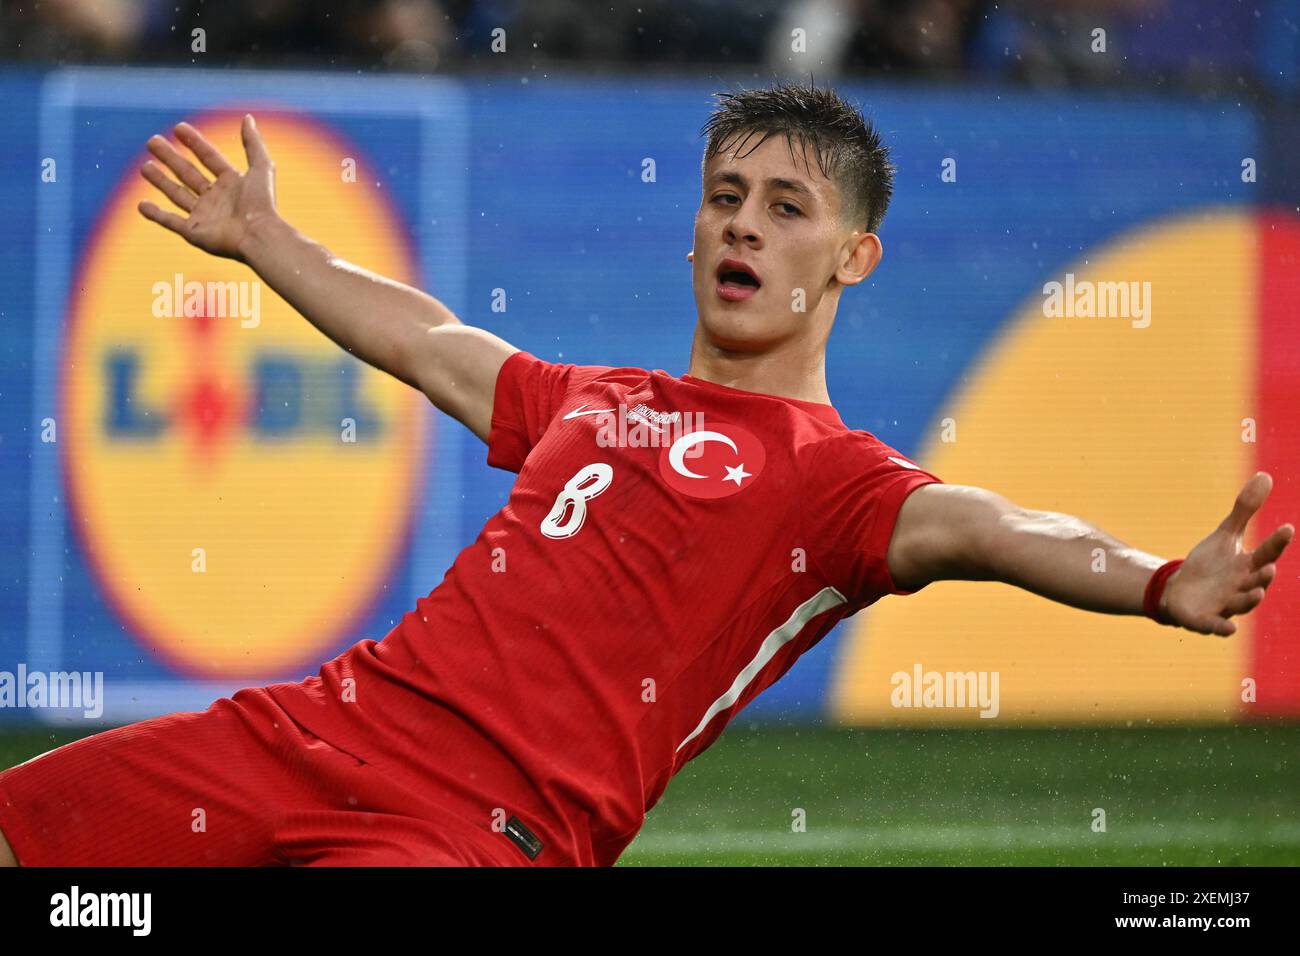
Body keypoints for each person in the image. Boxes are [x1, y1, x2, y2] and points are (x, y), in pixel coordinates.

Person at [0, 82, 1291, 866]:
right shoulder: (596, 401)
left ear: (856, 260)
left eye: (789, 207)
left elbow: (995, 526)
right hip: (310, 732)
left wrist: (1160, 581)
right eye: (727, 194)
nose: (743, 221)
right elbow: (424, 338)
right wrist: (269, 241)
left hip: (475, 834)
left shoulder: (839, 486)